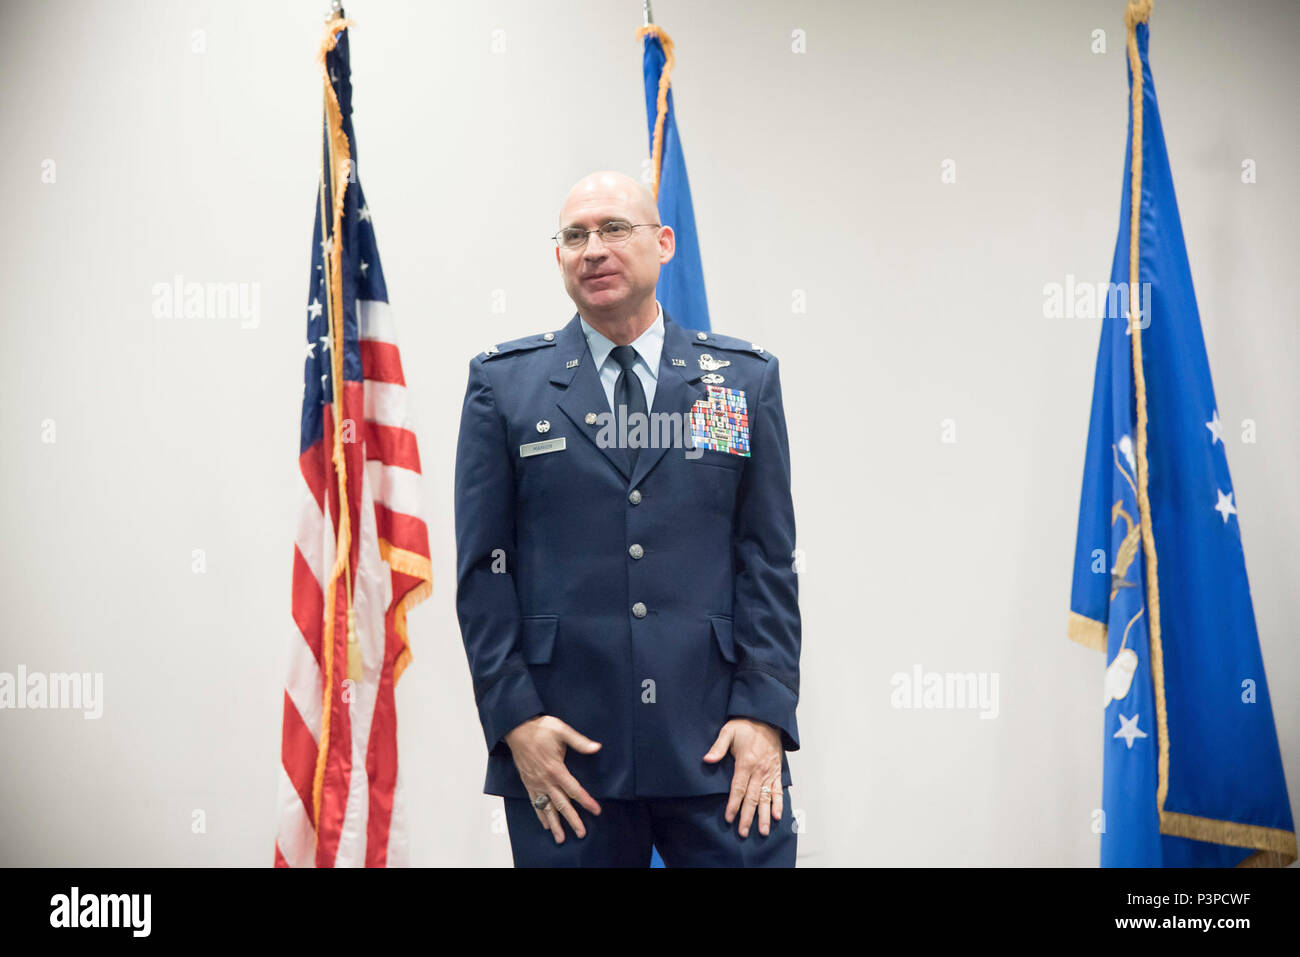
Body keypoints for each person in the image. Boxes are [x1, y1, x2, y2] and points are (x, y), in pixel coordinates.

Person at [453, 170, 801, 866]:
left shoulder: (738, 381)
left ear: (663, 242)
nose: (593, 249)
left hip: (718, 747)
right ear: (558, 257)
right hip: (566, 751)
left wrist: (763, 713)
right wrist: (515, 719)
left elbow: (766, 560)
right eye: (575, 236)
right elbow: (484, 572)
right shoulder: (506, 385)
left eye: (614, 228)